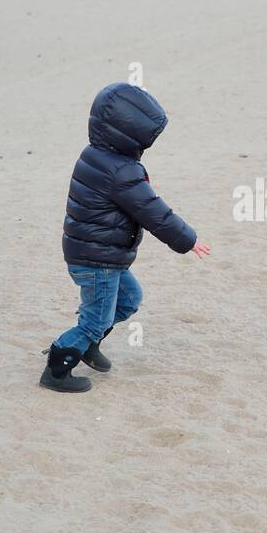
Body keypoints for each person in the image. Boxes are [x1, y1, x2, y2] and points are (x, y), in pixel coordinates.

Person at [42, 82, 211, 393]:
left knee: (129, 300)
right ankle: (58, 365)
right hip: (97, 260)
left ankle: (87, 344)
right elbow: (153, 210)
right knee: (94, 318)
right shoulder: (122, 171)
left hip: (99, 254)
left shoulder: (96, 155)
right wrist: (187, 240)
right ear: (129, 133)